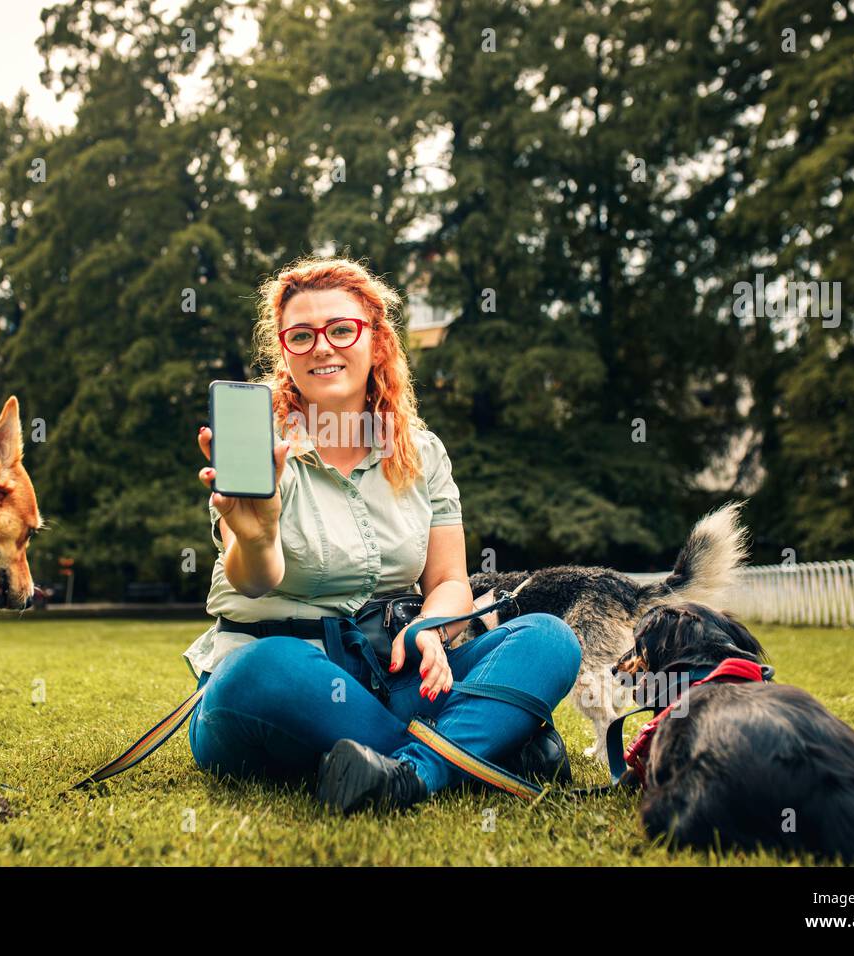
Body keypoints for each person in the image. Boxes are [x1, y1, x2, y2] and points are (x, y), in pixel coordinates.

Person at [184, 255, 581, 813]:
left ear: (376, 340)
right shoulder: (259, 450)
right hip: (287, 688)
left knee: (546, 638)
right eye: (301, 336)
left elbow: (447, 579)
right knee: (260, 670)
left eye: (341, 329)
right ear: (285, 353)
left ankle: (410, 775)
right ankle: (486, 748)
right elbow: (252, 581)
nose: (322, 346)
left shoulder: (422, 451)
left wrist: (431, 627)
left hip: (397, 677)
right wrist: (256, 536)